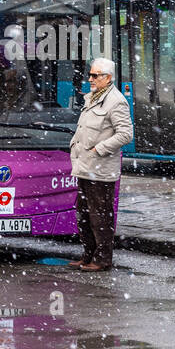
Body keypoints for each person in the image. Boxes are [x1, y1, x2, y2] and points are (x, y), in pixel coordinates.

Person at [68, 57, 132, 272]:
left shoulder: (116, 101)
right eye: (91, 75)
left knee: (100, 216)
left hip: (100, 170)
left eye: (95, 76)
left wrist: (100, 149)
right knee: (84, 214)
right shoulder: (93, 98)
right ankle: (87, 256)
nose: (90, 79)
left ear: (108, 78)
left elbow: (125, 134)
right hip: (85, 167)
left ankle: (102, 259)